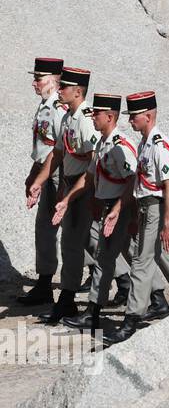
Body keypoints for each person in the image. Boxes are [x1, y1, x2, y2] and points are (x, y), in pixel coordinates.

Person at [103, 92, 169, 344]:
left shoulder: (160, 145)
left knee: (142, 261)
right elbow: (139, 183)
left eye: (134, 116)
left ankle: (131, 319)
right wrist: (125, 210)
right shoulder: (145, 144)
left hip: (156, 208)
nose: (130, 120)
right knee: (166, 257)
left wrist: (167, 223)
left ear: (148, 116)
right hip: (145, 207)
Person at [64, 93, 136, 333]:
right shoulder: (102, 144)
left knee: (138, 255)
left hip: (123, 207)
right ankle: (93, 312)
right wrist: (82, 200)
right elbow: (91, 177)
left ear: (110, 116)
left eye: (97, 113)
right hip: (109, 206)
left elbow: (132, 181)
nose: (92, 117)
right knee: (107, 259)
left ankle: (156, 299)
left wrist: (118, 209)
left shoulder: (120, 146)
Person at [38, 67, 99, 324]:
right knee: (76, 243)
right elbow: (59, 154)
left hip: (88, 187)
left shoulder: (86, 118)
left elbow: (96, 159)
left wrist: (80, 193)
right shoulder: (67, 117)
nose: (59, 90)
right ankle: (68, 299)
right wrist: (41, 182)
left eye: (64, 87)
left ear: (78, 91)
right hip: (72, 184)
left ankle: (140, 287)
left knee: (91, 242)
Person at [19, 57, 65, 307]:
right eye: (34, 78)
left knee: (82, 230)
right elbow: (43, 147)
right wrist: (32, 174)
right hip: (46, 172)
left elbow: (59, 150)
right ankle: (45, 283)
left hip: (60, 174)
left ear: (54, 81)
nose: (34, 83)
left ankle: (122, 278)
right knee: (45, 229)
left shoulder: (59, 107)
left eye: (39, 78)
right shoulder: (45, 106)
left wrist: (41, 176)